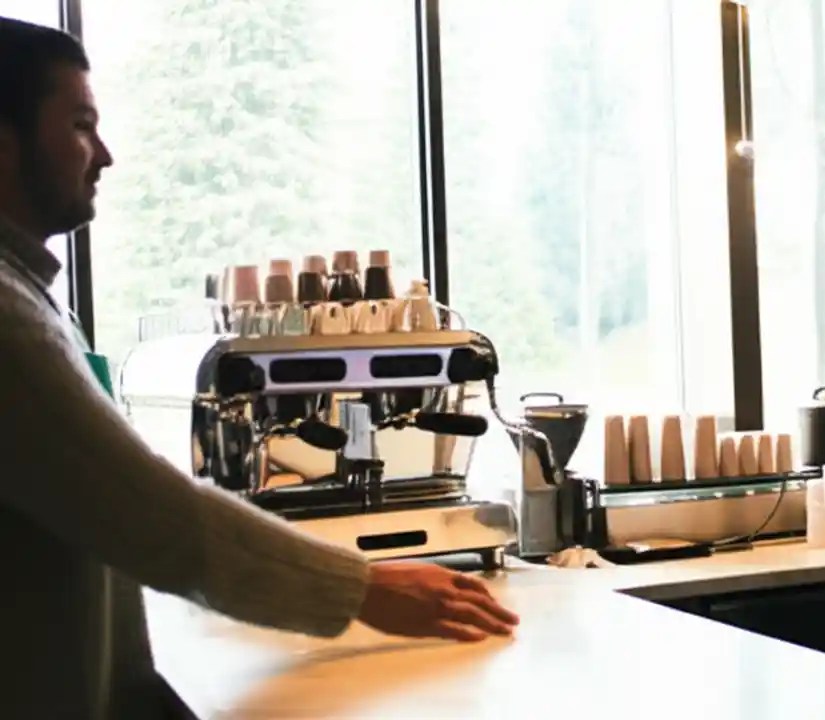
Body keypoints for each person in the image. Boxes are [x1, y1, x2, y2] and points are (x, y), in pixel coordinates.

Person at [0, 17, 518, 719]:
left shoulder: (27, 293)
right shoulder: (7, 315)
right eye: (80, 125)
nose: (105, 155)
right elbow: (150, 515)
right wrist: (369, 590)